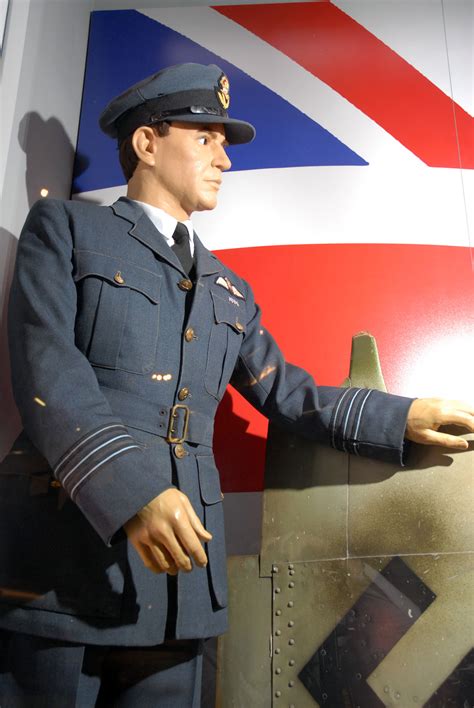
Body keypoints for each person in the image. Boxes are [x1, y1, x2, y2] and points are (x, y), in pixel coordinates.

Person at [0, 62, 472, 707]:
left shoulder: (229, 288)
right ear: (147, 143)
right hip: (69, 552)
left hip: (181, 578)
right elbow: (47, 366)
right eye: (205, 137)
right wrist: (135, 490)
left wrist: (402, 415)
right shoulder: (68, 232)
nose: (225, 157)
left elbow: (288, 394)